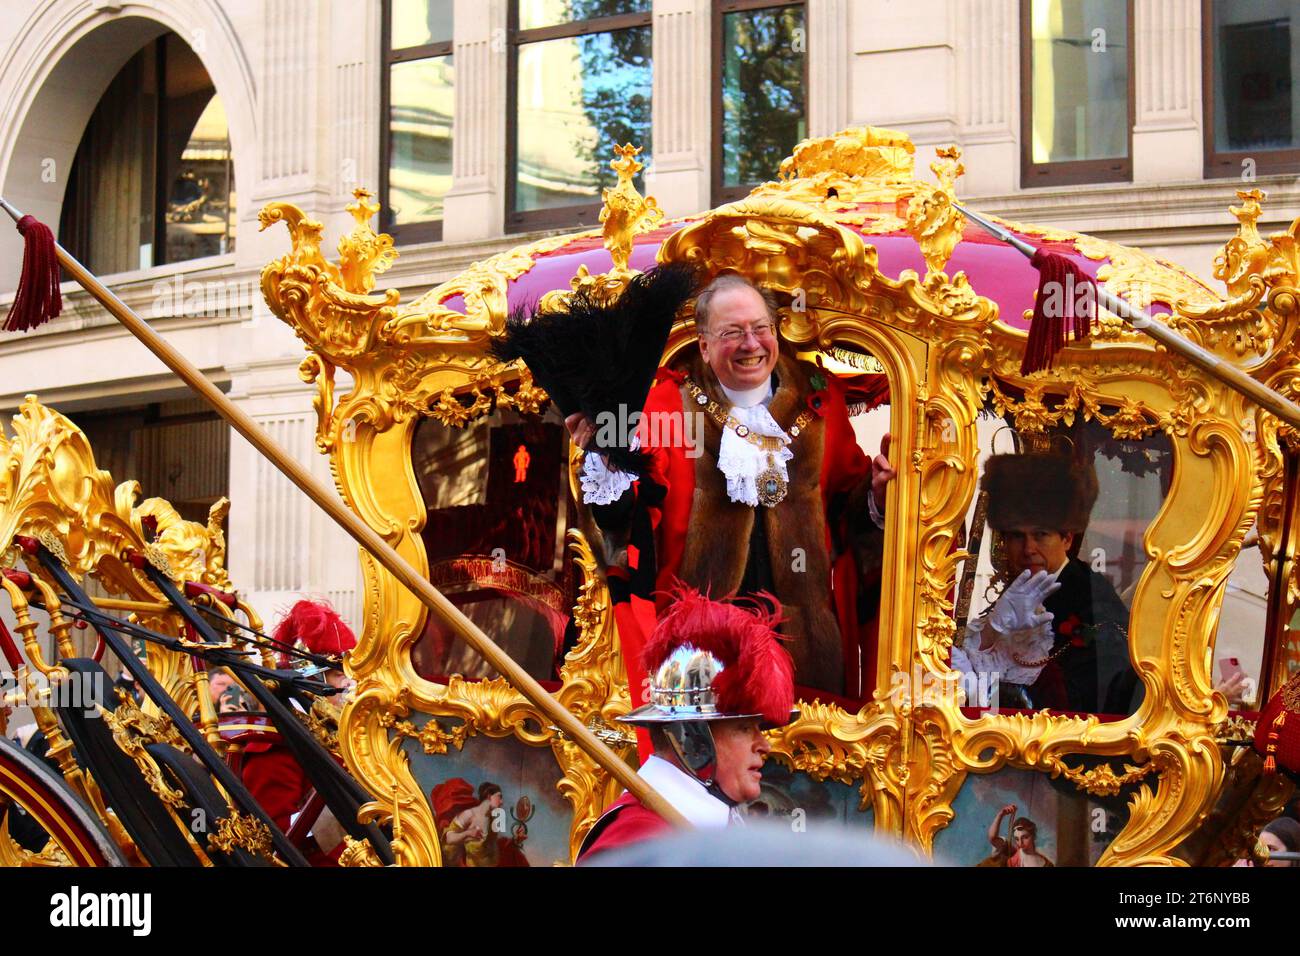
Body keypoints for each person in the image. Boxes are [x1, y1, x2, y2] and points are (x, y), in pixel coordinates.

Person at [570, 275, 892, 698]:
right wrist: (605, 458)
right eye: (732, 333)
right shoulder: (666, 406)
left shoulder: (820, 402)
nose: (751, 344)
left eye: (760, 328)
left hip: (806, 655)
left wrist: (877, 496)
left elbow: (848, 514)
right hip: (698, 657)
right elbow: (628, 527)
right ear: (704, 346)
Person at [576, 586, 797, 862]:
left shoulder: (710, 829)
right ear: (692, 738)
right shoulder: (637, 844)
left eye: (758, 728)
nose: (764, 745)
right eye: (743, 728)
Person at [950, 451, 1138, 714]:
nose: (1028, 549)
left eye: (1040, 535)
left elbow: (1088, 698)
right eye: (1017, 536)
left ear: (1066, 539)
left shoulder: (1091, 598)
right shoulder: (1016, 595)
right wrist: (992, 630)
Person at [981, 804, 1053, 867]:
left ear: (1033, 836)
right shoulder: (1011, 852)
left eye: (1025, 837)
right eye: (1017, 839)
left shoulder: (1047, 864)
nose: (1020, 843)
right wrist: (1000, 815)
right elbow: (993, 838)